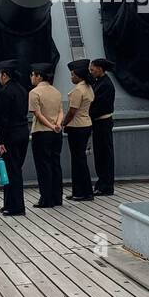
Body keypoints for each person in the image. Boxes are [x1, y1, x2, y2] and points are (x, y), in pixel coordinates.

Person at [0, 59, 30, 216]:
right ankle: (8, 203)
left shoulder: (4, 93)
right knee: (15, 169)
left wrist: (0, 141)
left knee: (12, 171)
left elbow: (0, 119)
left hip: (10, 136)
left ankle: (17, 207)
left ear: (4, 75)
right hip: (22, 133)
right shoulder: (22, 90)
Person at [28, 63, 63, 208]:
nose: (31, 77)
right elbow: (61, 111)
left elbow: (37, 114)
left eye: (32, 75)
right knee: (55, 164)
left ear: (38, 76)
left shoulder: (34, 93)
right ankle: (57, 197)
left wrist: (49, 126)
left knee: (43, 166)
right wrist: (57, 125)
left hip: (41, 132)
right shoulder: (56, 91)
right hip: (56, 133)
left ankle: (46, 199)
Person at [63, 58, 94, 202]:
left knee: (78, 161)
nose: (71, 77)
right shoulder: (88, 87)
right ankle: (82, 191)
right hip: (86, 123)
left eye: (72, 74)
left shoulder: (78, 90)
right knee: (80, 160)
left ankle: (82, 192)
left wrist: (63, 123)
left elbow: (72, 111)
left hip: (77, 126)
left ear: (78, 75)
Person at [87, 58, 116, 195]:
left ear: (99, 69)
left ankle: (107, 185)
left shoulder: (106, 85)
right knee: (99, 153)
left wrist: (87, 113)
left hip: (103, 122)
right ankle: (101, 182)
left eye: (92, 69)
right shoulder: (99, 82)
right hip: (98, 123)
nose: (91, 72)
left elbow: (99, 105)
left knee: (105, 154)